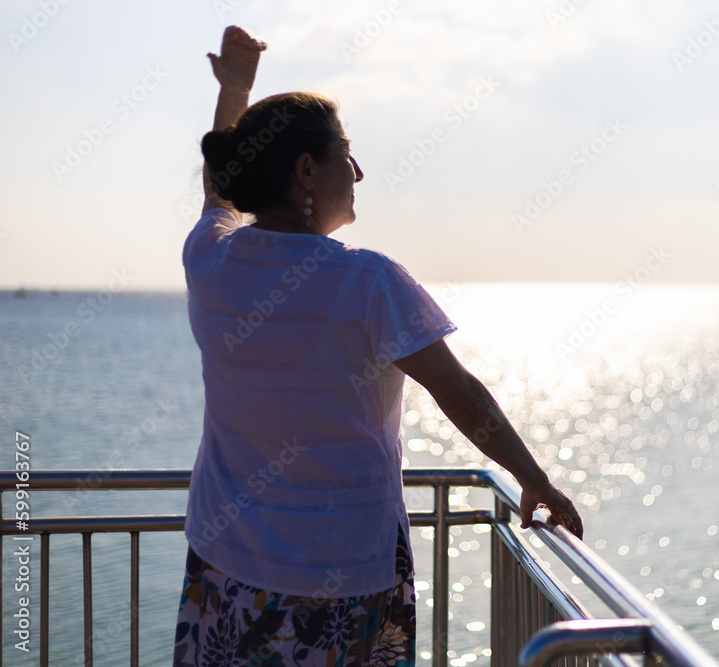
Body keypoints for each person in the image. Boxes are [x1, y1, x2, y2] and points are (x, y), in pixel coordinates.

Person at [173, 25, 583, 666]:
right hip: (343, 583)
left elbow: (215, 192)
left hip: (225, 569)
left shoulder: (211, 258)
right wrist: (536, 481)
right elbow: (462, 395)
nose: (358, 171)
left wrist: (233, 93)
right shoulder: (365, 280)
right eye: (346, 153)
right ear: (307, 170)